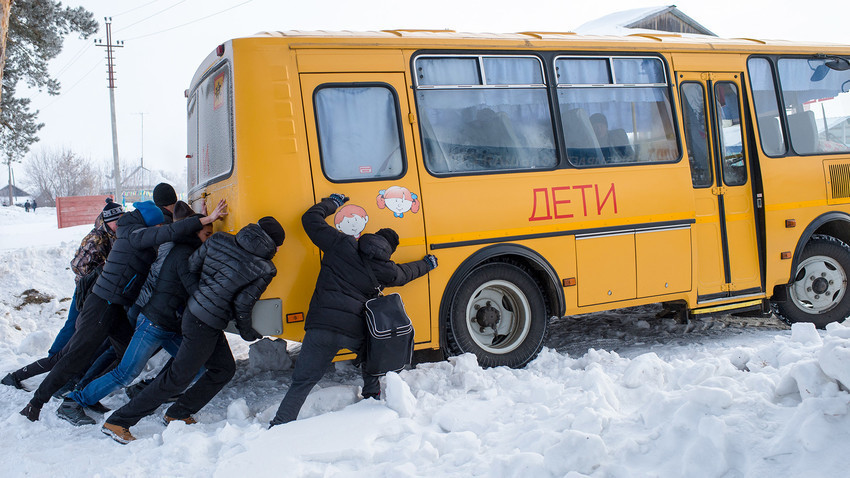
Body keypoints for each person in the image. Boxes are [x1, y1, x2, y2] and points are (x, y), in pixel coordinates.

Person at [18, 198, 227, 422]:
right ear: (149, 224)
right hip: (102, 303)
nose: (159, 229)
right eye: (156, 226)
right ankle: (38, 404)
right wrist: (207, 219)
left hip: (116, 305)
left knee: (125, 357)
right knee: (77, 355)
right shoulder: (134, 234)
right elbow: (167, 233)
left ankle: (86, 394)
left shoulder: (137, 230)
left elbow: (172, 230)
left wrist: (198, 219)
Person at [102, 216, 283, 443]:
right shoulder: (265, 268)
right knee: (176, 378)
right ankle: (119, 421)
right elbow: (242, 304)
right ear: (273, 244)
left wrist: (203, 294)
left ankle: (178, 413)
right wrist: (246, 331)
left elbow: (192, 266)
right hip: (205, 323)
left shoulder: (219, 240)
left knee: (223, 369)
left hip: (195, 313)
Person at [269, 194, 437, 427]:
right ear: (390, 250)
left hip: (321, 325)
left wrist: (334, 202)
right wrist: (427, 264)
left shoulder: (342, 244)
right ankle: (371, 396)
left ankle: (280, 424)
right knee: (373, 352)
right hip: (352, 330)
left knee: (302, 382)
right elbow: (406, 273)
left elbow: (310, 220)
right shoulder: (386, 270)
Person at [2, 198, 124, 391]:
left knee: (84, 329)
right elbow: (77, 265)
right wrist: (99, 273)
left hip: (100, 290)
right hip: (86, 289)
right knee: (72, 327)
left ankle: (67, 366)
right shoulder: (96, 238)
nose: (119, 224)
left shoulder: (115, 234)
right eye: (116, 221)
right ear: (107, 221)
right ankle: (54, 361)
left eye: (121, 219)